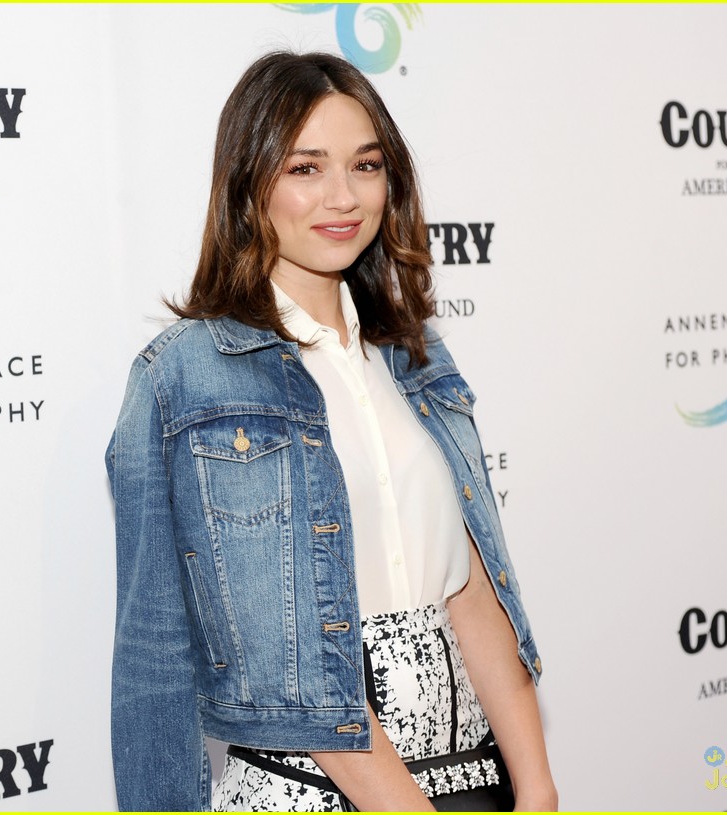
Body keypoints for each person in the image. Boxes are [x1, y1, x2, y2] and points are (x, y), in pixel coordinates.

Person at [106, 51, 557, 812]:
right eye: (305, 169)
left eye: (366, 164)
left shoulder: (415, 357)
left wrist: (538, 790)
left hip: (476, 779)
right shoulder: (183, 378)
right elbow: (158, 658)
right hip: (310, 789)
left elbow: (471, 586)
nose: (342, 197)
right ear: (251, 184)